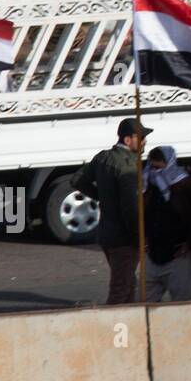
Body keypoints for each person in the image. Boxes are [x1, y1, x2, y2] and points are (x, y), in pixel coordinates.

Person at [71, 117, 146, 304]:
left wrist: (102, 196)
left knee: (127, 283)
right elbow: (130, 207)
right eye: (141, 137)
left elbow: (77, 180)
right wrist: (140, 235)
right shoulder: (127, 166)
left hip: (107, 234)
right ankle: (115, 327)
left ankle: (127, 320)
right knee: (120, 289)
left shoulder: (103, 157)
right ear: (128, 140)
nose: (145, 142)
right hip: (124, 238)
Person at [142, 145, 191, 302]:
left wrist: (190, 243)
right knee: (144, 307)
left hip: (178, 256)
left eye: (159, 167)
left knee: (181, 307)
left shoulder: (188, 186)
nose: (155, 172)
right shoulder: (147, 185)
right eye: (153, 167)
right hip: (152, 255)